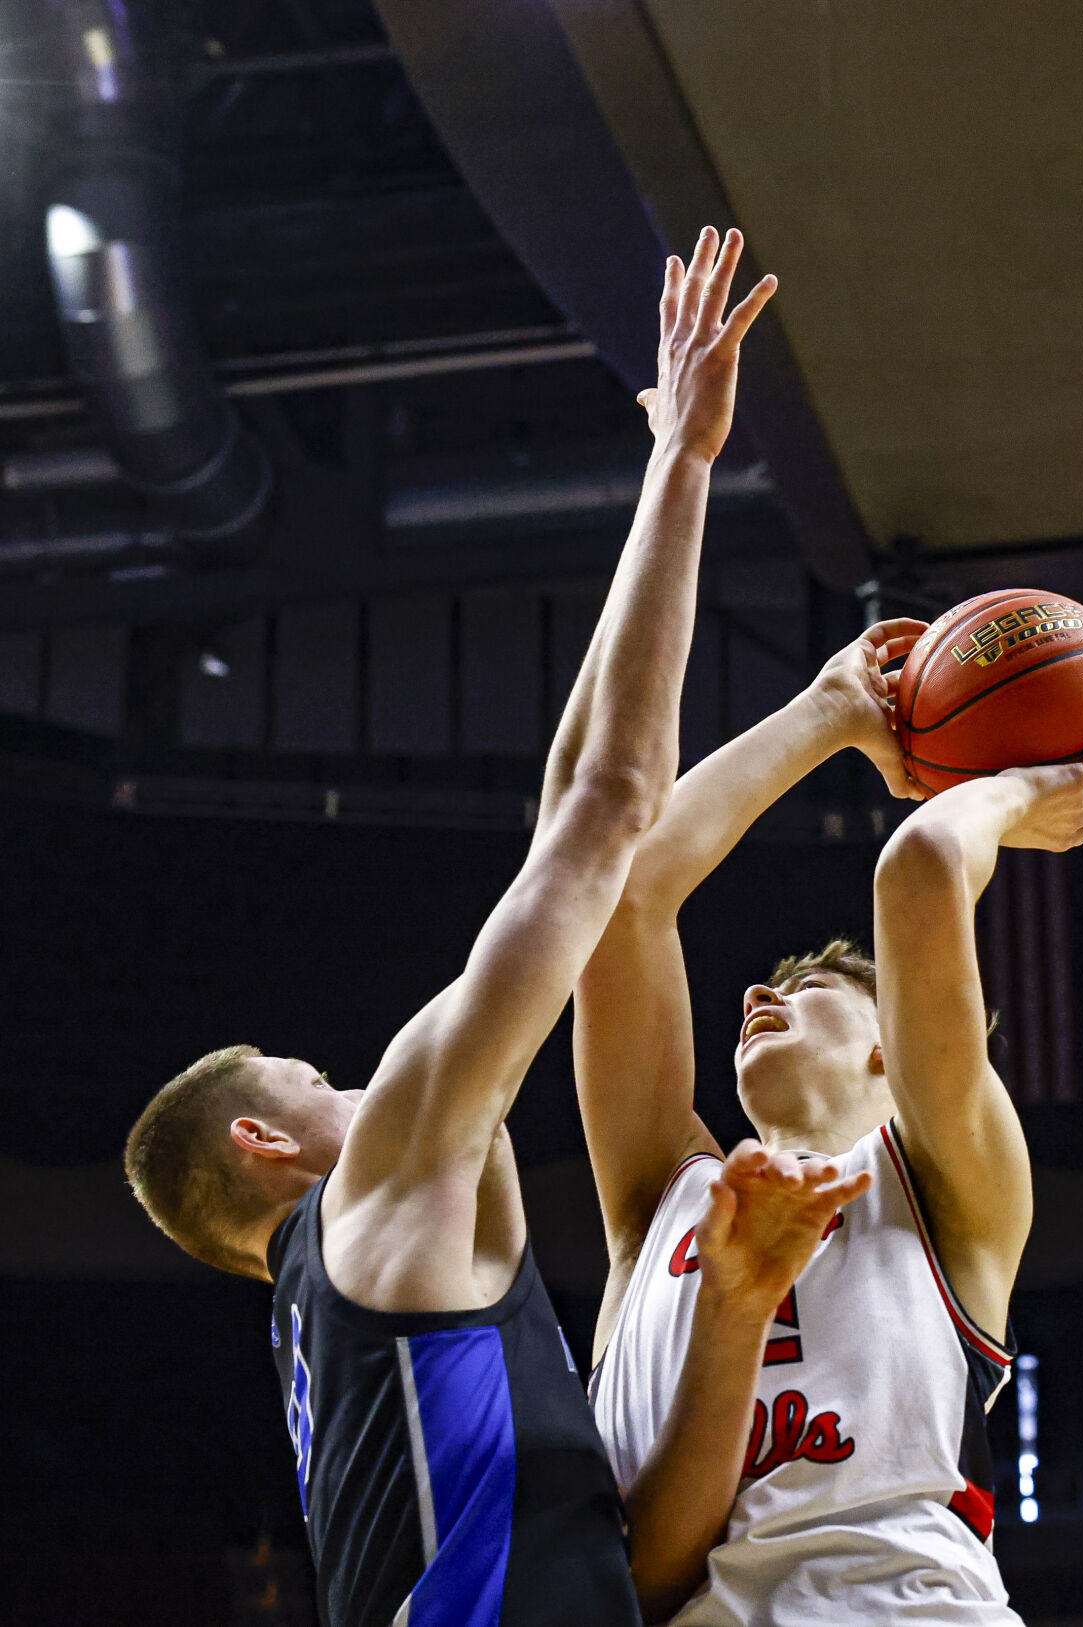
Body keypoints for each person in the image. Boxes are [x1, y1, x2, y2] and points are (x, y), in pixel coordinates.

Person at [122, 227, 863, 1627]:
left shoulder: (370, 1316)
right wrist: (686, 464)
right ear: (268, 1144)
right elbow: (605, 816)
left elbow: (575, 829)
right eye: (317, 1077)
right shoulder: (384, 1180)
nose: (365, 1076)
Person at [577, 619, 1083, 1624]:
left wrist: (1027, 796)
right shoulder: (661, 1199)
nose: (760, 987)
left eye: (811, 984)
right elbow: (622, 899)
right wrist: (825, 714)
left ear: (891, 1044)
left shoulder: (940, 1179)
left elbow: (921, 863)